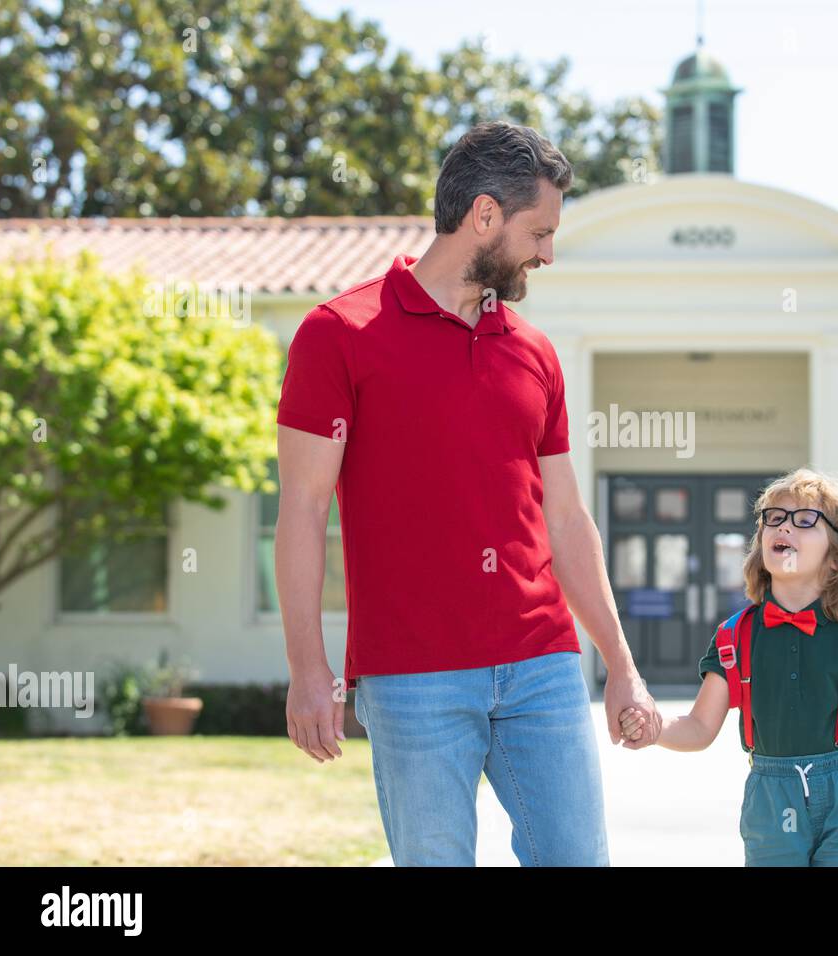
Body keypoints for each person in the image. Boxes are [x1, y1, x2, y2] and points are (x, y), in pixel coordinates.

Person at [274, 121, 661, 866]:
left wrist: (620, 663)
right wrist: (307, 668)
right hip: (412, 676)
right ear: (484, 214)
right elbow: (302, 509)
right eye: (539, 233)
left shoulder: (534, 352)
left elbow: (566, 519)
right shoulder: (339, 334)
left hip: (543, 666)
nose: (547, 254)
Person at [621, 468, 838, 866]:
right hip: (771, 800)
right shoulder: (735, 637)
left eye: (804, 520)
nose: (783, 526)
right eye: (774, 517)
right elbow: (700, 727)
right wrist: (656, 729)